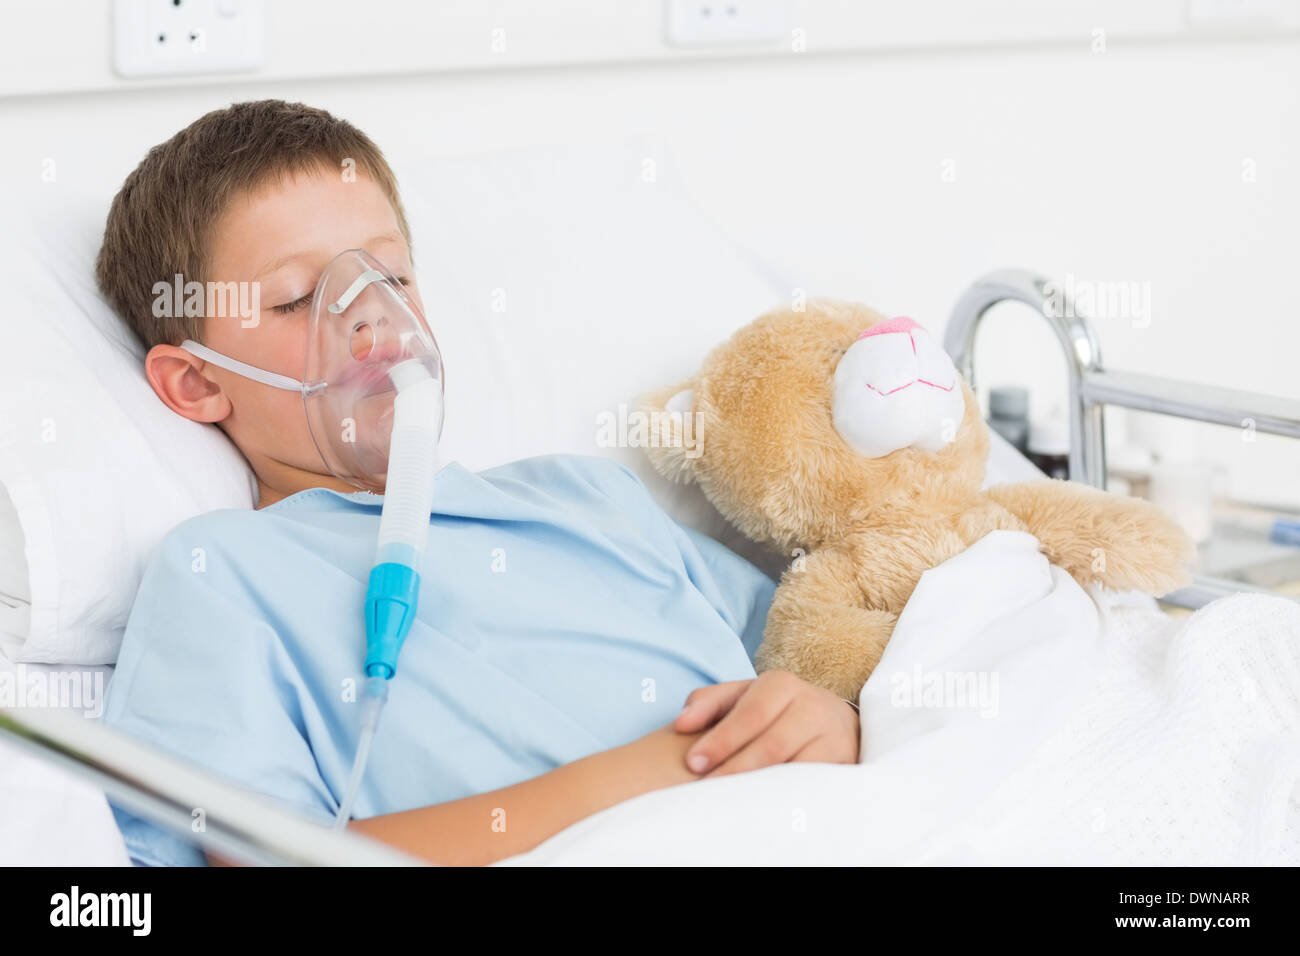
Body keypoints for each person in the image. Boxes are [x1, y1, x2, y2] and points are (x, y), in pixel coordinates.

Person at [95, 100, 860, 866]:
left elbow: (822, 654)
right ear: (195, 385)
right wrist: (655, 775)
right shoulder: (222, 575)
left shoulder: (588, 500)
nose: (373, 321)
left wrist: (828, 714)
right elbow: (257, 856)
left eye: (390, 276)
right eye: (298, 298)